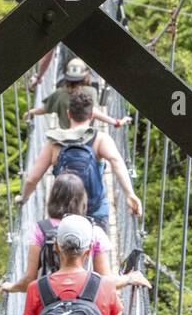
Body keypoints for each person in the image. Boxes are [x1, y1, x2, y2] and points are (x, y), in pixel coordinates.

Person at [1, 172, 150, 294]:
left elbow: (29, 281)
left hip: (49, 306)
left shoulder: (39, 230)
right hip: (86, 305)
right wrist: (130, 278)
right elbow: (107, 281)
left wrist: (12, 287)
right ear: (82, 200)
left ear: (52, 198)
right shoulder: (94, 231)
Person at [18, 90, 142, 224]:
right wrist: (130, 194)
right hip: (94, 210)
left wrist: (23, 199)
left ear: (68, 114)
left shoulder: (53, 143)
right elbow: (116, 162)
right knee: (100, 244)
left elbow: (32, 179)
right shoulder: (100, 139)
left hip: (63, 212)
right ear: (92, 115)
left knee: (63, 243)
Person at [25, 57, 130, 130]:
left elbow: (44, 109)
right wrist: (117, 122)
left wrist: (30, 112)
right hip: (86, 138)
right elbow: (94, 112)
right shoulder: (91, 92)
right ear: (86, 76)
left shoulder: (59, 93)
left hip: (64, 138)